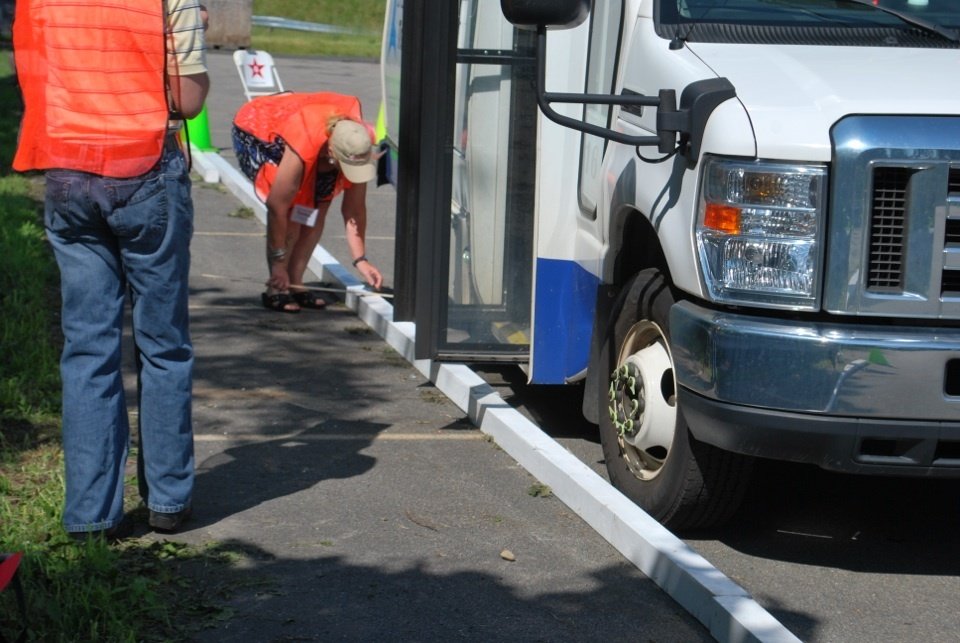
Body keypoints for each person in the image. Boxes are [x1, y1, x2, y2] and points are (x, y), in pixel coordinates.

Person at [12, 0, 209, 538]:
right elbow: (187, 103)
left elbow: (34, 76)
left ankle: (90, 514)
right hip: (145, 167)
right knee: (163, 343)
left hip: (67, 171)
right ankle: (168, 500)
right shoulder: (176, 1)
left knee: (87, 347)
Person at [232, 92, 385, 313]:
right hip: (257, 129)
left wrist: (360, 259)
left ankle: (295, 282)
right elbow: (277, 207)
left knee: (316, 211)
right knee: (295, 210)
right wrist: (278, 264)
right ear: (332, 152)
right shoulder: (303, 141)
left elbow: (354, 211)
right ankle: (277, 287)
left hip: (319, 146)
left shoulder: (357, 142)